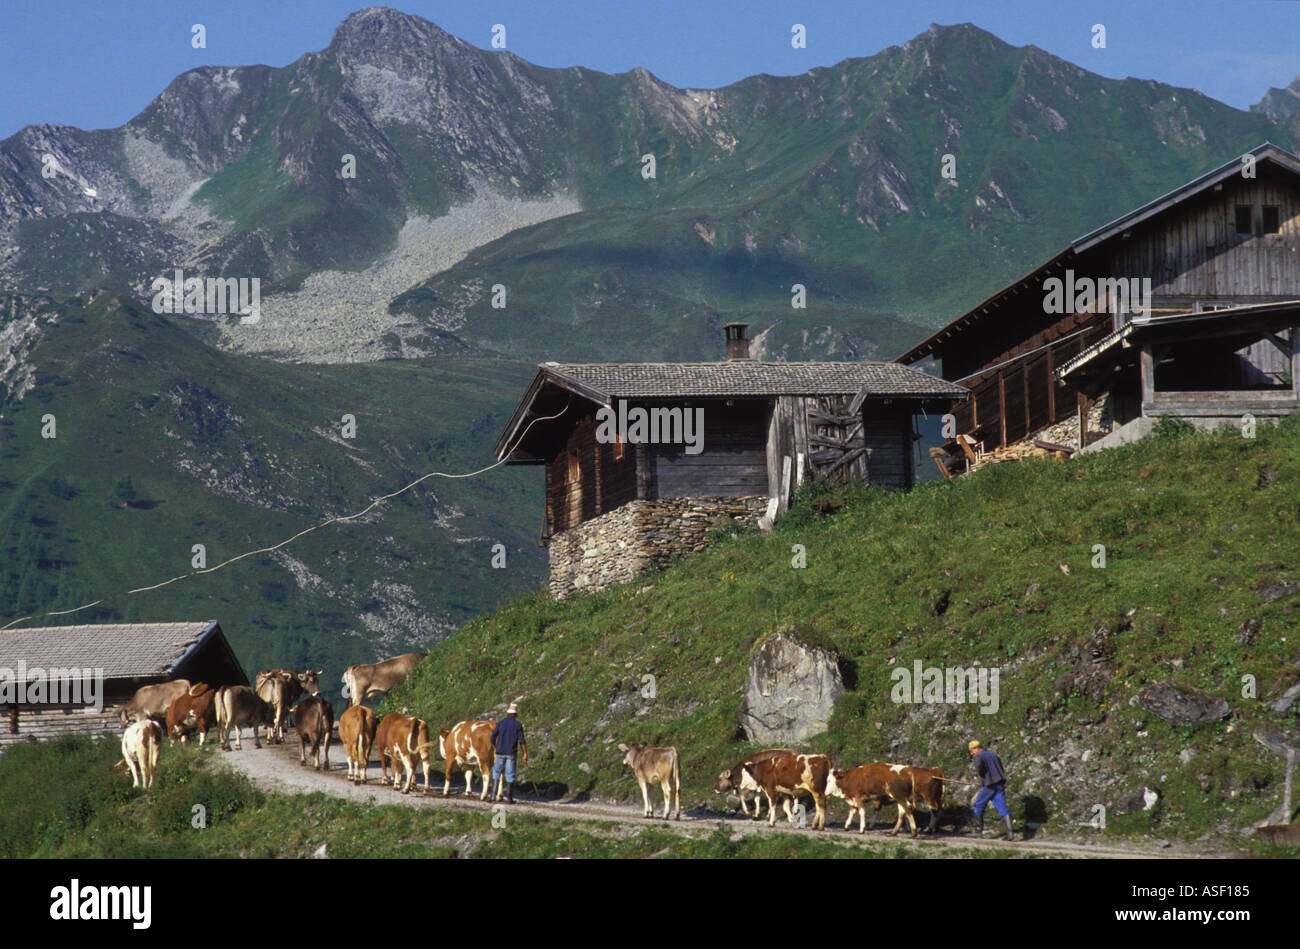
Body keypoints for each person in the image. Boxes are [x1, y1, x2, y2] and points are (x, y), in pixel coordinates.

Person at [969, 739, 1015, 841]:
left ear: (976, 749)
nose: (971, 753)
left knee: (978, 805)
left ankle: (978, 831)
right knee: (1002, 808)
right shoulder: (993, 755)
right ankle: (1010, 833)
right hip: (999, 784)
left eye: (971, 751)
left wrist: (981, 778)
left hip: (989, 785)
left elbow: (980, 768)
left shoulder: (978, 756)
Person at [490, 703, 528, 804]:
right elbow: (522, 741)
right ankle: (509, 798)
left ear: (507, 713)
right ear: (515, 714)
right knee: (510, 774)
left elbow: (492, 737)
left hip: (499, 752)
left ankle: (492, 796)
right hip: (511, 753)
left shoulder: (501, 723)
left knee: (496, 773)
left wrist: (495, 747)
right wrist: (525, 753)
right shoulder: (517, 725)